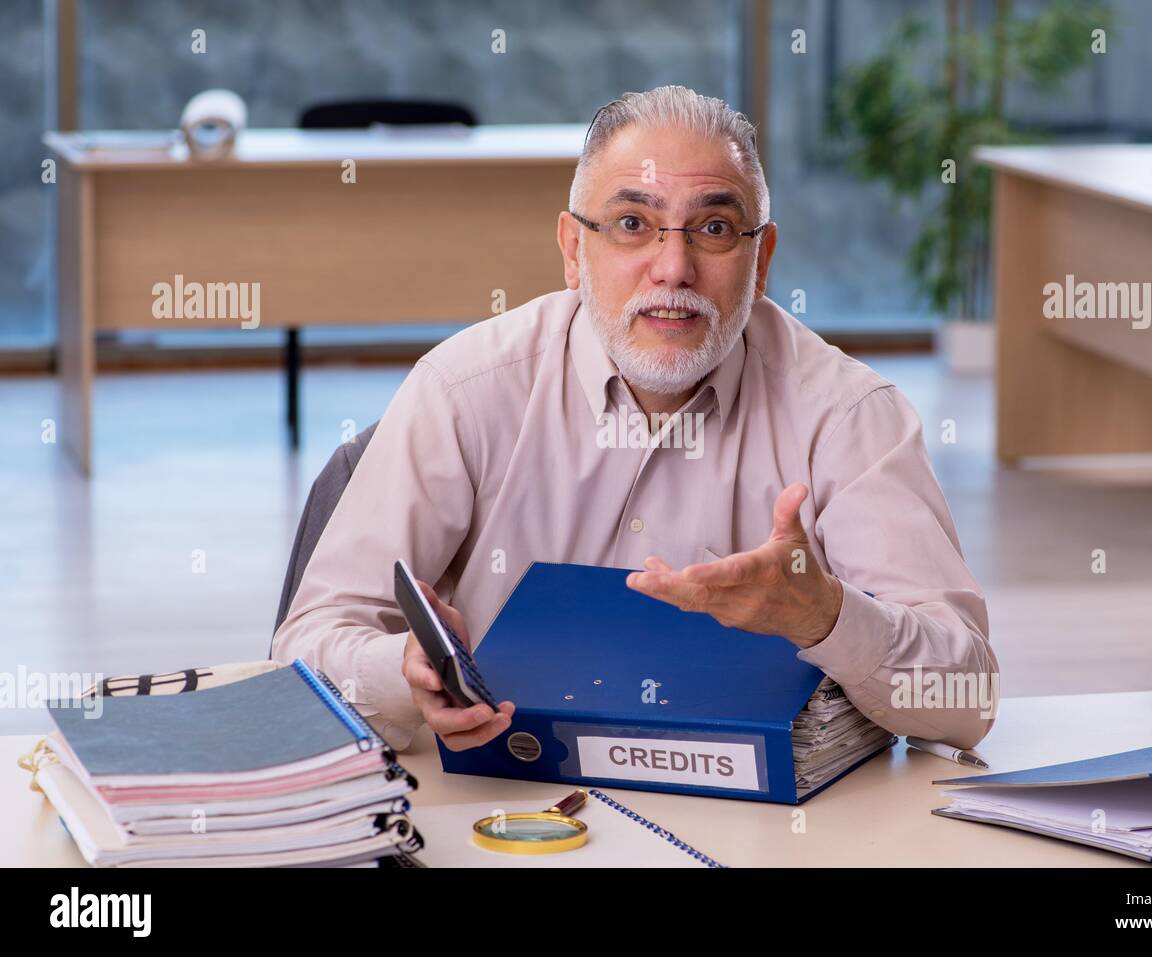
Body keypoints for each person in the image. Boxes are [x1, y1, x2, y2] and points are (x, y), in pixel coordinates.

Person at [273, 85, 998, 753]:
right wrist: (407, 673)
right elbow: (304, 651)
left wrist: (828, 616)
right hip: (504, 812)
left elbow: (967, 699)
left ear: (762, 257)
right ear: (572, 249)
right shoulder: (464, 390)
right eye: (632, 223)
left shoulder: (847, 414)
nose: (673, 267)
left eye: (714, 227)